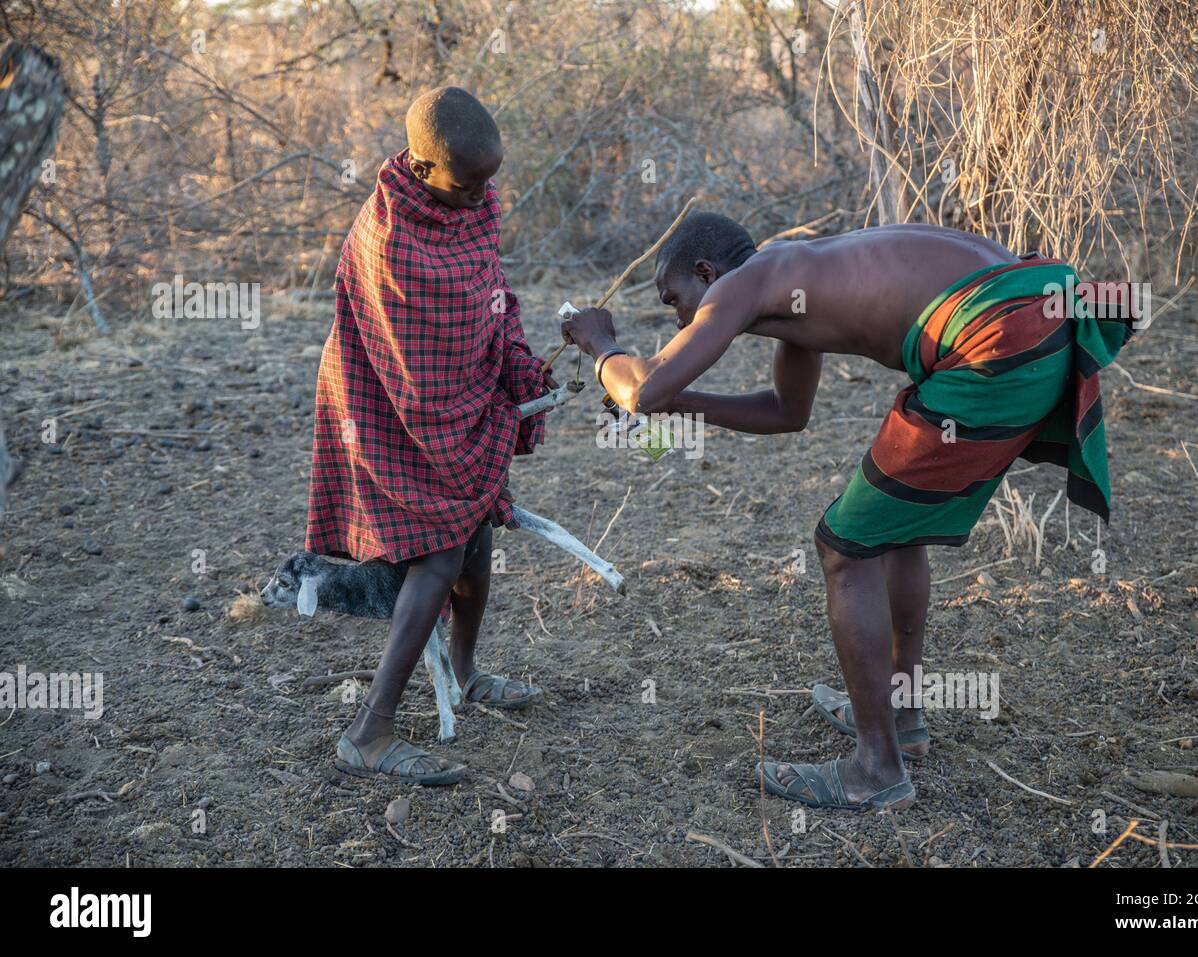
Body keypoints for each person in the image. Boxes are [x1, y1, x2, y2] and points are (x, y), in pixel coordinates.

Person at [560, 213, 1133, 810]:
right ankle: (902, 715)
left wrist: (599, 341)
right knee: (893, 528)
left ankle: (875, 769)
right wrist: (677, 402)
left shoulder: (740, 285)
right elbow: (788, 412)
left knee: (844, 546)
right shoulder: (788, 273)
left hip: (996, 333)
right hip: (1036, 309)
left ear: (708, 273)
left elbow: (643, 387)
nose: (683, 321)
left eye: (676, 300)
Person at [306, 87, 552, 784]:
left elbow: (492, 296)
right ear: (420, 169)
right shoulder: (390, 240)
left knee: (476, 536)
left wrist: (520, 365)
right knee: (440, 552)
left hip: (459, 401)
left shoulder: (471, 206)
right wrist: (496, 409)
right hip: (388, 400)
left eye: (489, 181)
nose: (482, 196)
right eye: (467, 182)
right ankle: (370, 730)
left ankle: (467, 671)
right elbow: (417, 369)